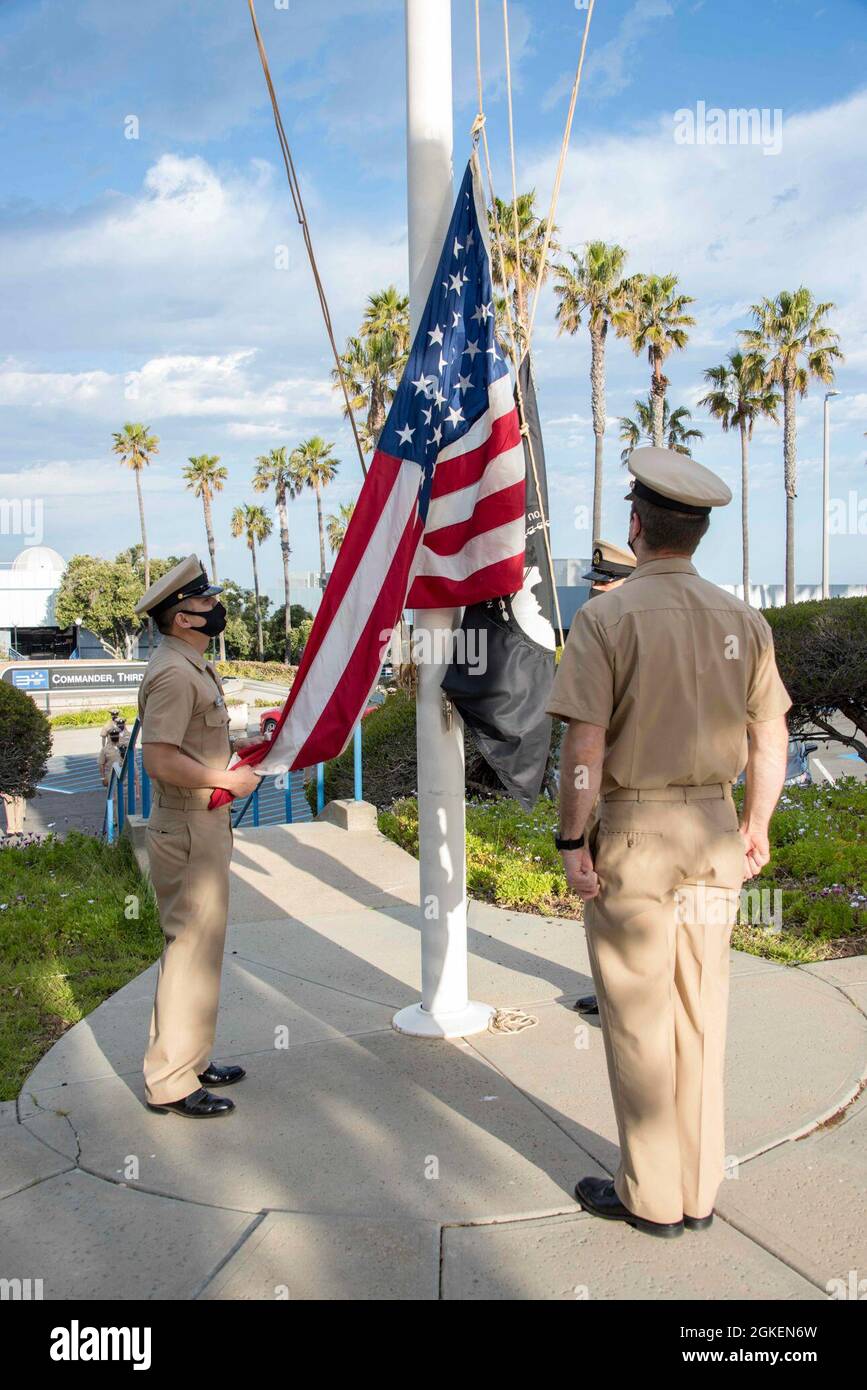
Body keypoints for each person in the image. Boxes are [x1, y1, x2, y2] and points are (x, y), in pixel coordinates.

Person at [547, 447, 790, 1238]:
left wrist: (570, 840)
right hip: (712, 831)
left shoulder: (604, 617)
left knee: (638, 1019)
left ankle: (652, 1196)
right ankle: (697, 1190)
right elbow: (770, 736)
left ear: (635, 524)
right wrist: (754, 824)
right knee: (700, 1015)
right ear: (698, 531)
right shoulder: (742, 620)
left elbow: (584, 748)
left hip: (636, 836)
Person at [134, 555, 261, 1119]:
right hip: (187, 823)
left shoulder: (190, 664)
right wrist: (225, 779)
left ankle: (192, 1056)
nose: (216, 610)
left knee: (203, 947)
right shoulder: (172, 672)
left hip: (202, 821)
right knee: (188, 950)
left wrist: (244, 745)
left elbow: (194, 741)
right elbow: (158, 759)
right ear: (183, 617)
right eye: (206, 604)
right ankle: (170, 1081)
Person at [573, 540, 636, 1018]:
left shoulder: (618, 629)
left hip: (620, 789)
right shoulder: (605, 626)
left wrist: (569, 833)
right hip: (606, 786)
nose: (597, 593)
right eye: (596, 585)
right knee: (605, 897)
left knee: (615, 896)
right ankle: (609, 985)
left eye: (605, 583)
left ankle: (620, 991)